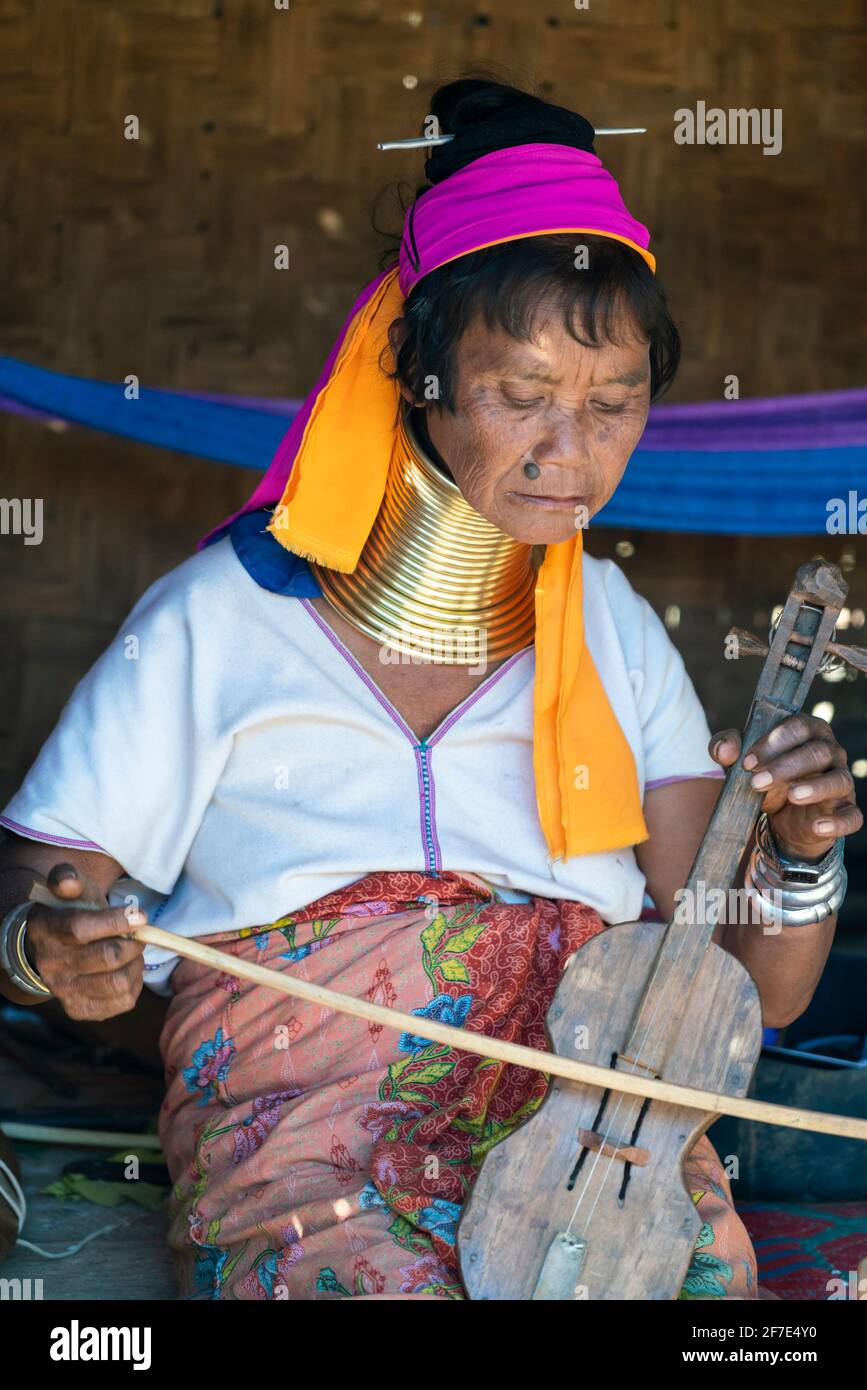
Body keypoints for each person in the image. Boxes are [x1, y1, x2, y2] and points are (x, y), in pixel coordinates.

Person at [0, 79, 859, 1301]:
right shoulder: (217, 620)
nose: (573, 451)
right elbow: (45, 882)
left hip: (594, 1138)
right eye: (520, 396)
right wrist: (44, 951)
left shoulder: (614, 631)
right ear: (423, 378)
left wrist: (795, 856)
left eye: (615, 405)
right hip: (310, 1127)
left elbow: (749, 996)